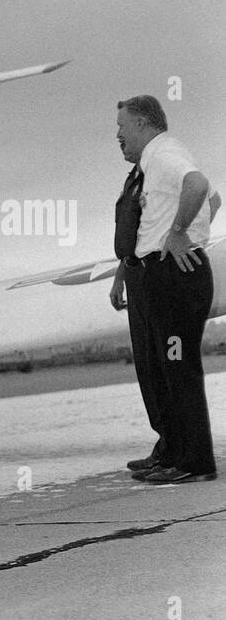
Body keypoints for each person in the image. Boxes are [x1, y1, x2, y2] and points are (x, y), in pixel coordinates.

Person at [108, 95, 217, 483]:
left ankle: (195, 463)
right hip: (155, 274)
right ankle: (173, 452)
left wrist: (182, 233)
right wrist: (124, 272)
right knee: (159, 371)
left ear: (142, 123)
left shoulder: (164, 153)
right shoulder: (149, 164)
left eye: (122, 126)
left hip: (174, 276)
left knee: (177, 368)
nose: (117, 135)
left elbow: (199, 185)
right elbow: (214, 199)